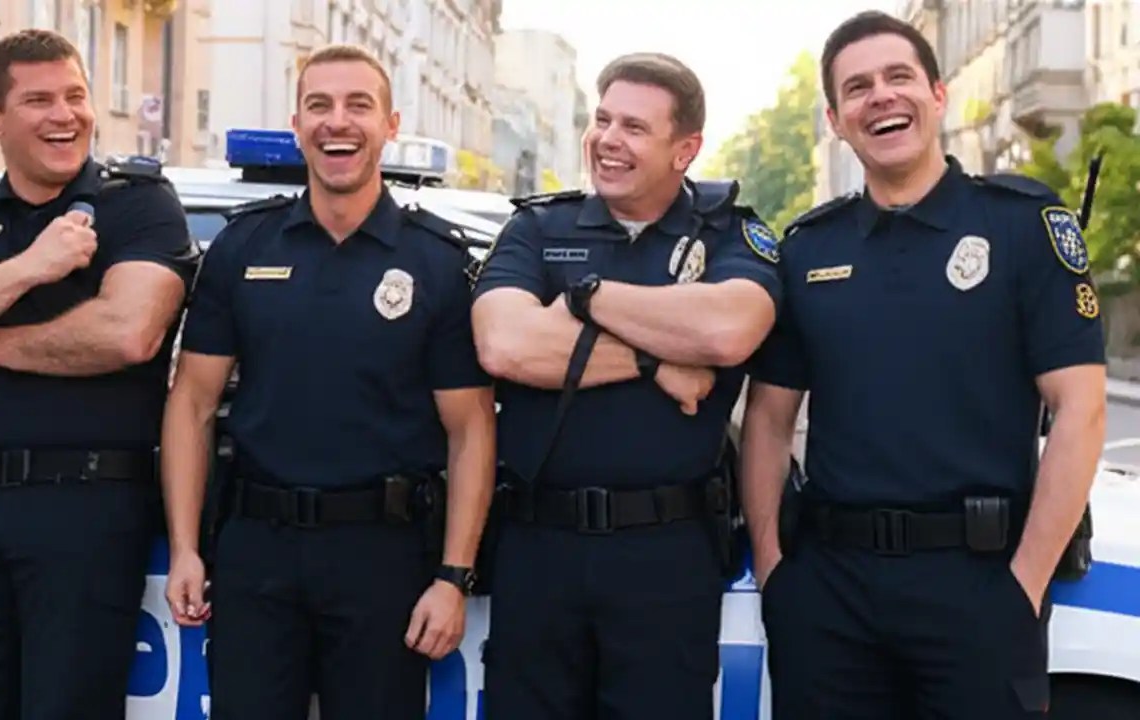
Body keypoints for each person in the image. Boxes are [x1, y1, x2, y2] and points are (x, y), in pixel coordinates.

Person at [740, 10, 1107, 719]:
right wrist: (773, 571)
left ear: (938, 95)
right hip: (829, 596)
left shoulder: (1021, 228)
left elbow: (1081, 411)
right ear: (836, 119)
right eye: (858, 87)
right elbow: (768, 418)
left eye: (899, 76)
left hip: (980, 588)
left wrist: (1022, 586)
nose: (881, 96)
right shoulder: (808, 249)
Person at [160, 43, 496, 720]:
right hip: (256, 551)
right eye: (319, 105)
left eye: (357, 106)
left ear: (390, 124)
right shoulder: (245, 247)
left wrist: (453, 577)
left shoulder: (434, 261)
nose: (336, 122)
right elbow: (191, 403)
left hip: (384, 557)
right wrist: (186, 548)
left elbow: (471, 430)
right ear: (297, 123)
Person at [0, 29, 197, 720]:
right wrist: (33, 267)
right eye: (39, 100)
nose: (66, 114)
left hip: (89, 507)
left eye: (76, 96)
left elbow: (128, 332)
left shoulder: (138, 205)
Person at [471, 52, 781, 720]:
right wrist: (656, 360)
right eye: (602, 119)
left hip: (664, 557)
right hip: (538, 550)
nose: (608, 140)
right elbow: (504, 344)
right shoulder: (537, 228)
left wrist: (587, 297)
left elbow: (728, 332)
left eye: (635, 127)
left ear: (685, 149)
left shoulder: (728, 232)